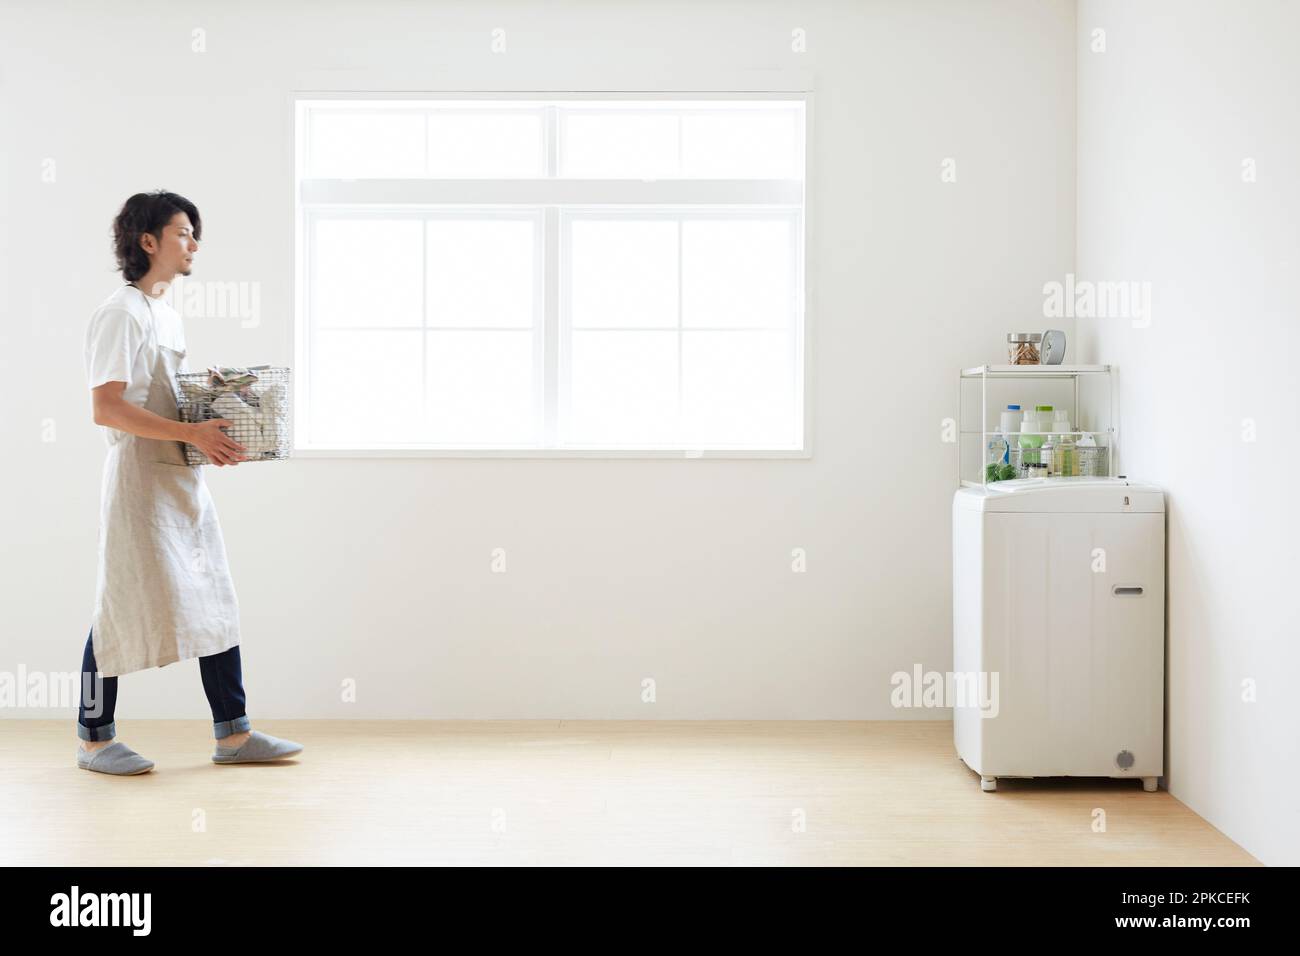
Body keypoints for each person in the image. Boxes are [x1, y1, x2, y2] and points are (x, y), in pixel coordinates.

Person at [77, 190, 302, 774]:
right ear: (147, 241)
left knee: (214, 597)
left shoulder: (167, 315)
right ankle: (94, 740)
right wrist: (192, 432)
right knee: (121, 605)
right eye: (183, 233)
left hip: (179, 475)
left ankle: (234, 734)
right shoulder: (119, 313)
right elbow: (107, 408)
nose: (193, 244)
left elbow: (160, 396)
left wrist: (213, 413)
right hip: (137, 479)